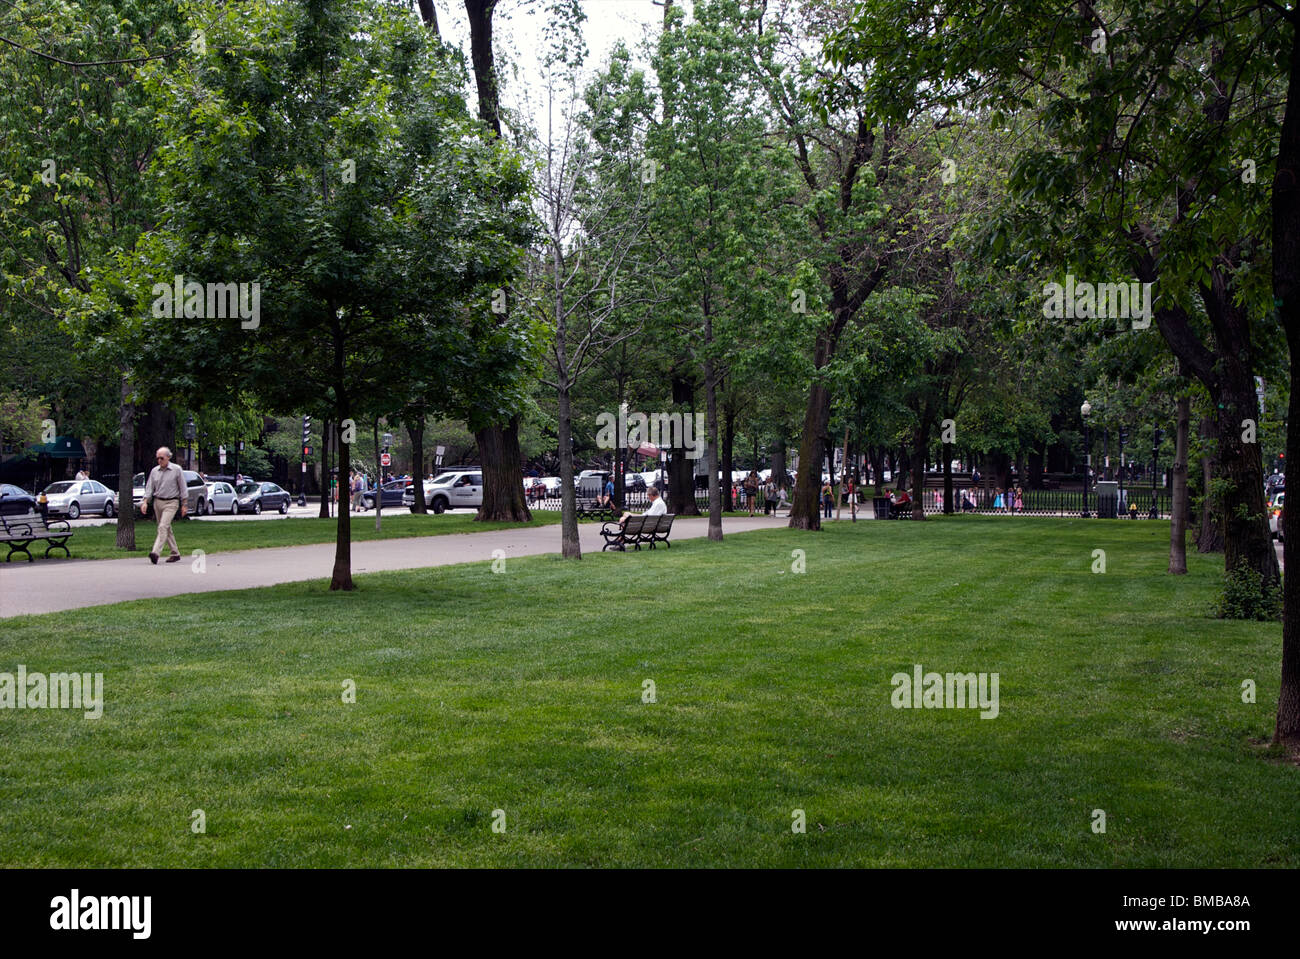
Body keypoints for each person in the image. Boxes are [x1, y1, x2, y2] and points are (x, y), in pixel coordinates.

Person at [142, 446, 187, 564]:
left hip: (172, 502)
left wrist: (184, 504)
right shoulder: (154, 471)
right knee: (166, 528)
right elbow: (149, 487)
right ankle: (175, 553)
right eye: (157, 458)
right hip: (158, 502)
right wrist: (145, 501)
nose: (159, 461)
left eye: (161, 458)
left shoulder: (177, 470)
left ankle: (155, 553)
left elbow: (183, 488)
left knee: (162, 527)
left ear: (168, 457)